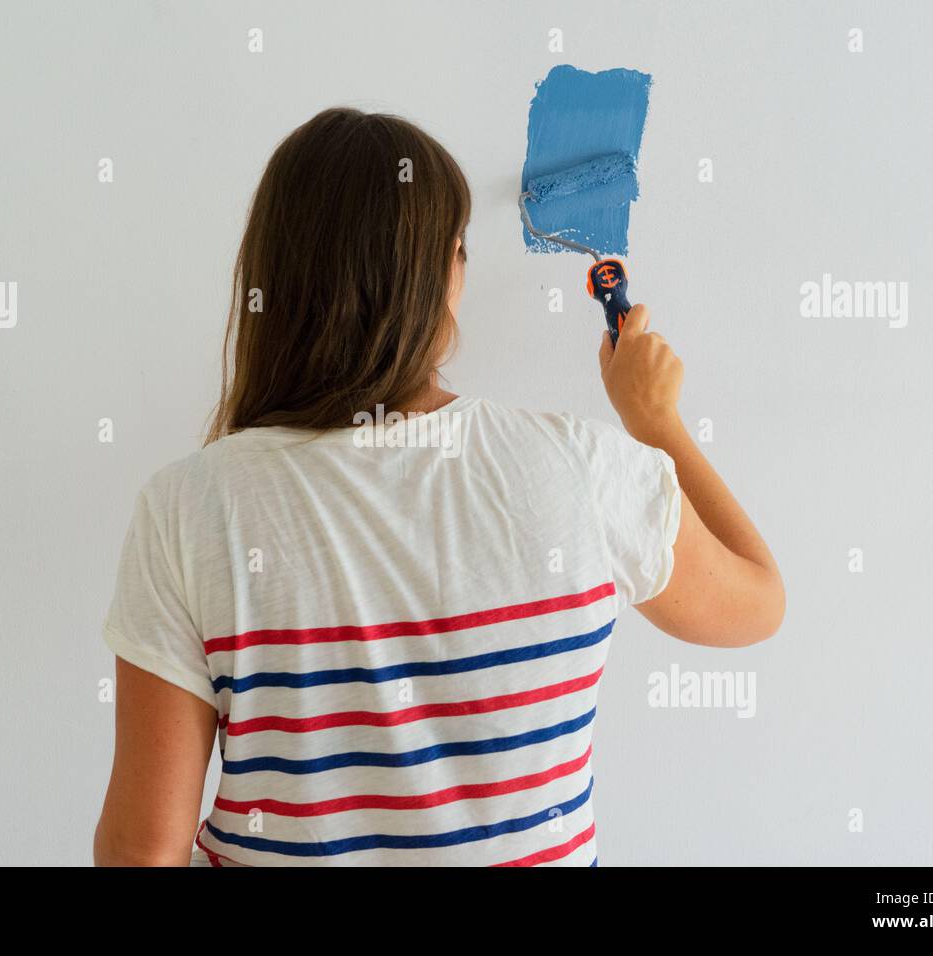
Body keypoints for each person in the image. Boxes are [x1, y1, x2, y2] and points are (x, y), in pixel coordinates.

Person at [93, 108, 784, 867]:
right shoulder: (585, 469)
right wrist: (657, 422)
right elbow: (757, 603)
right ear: (446, 274)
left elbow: (140, 855)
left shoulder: (188, 509)